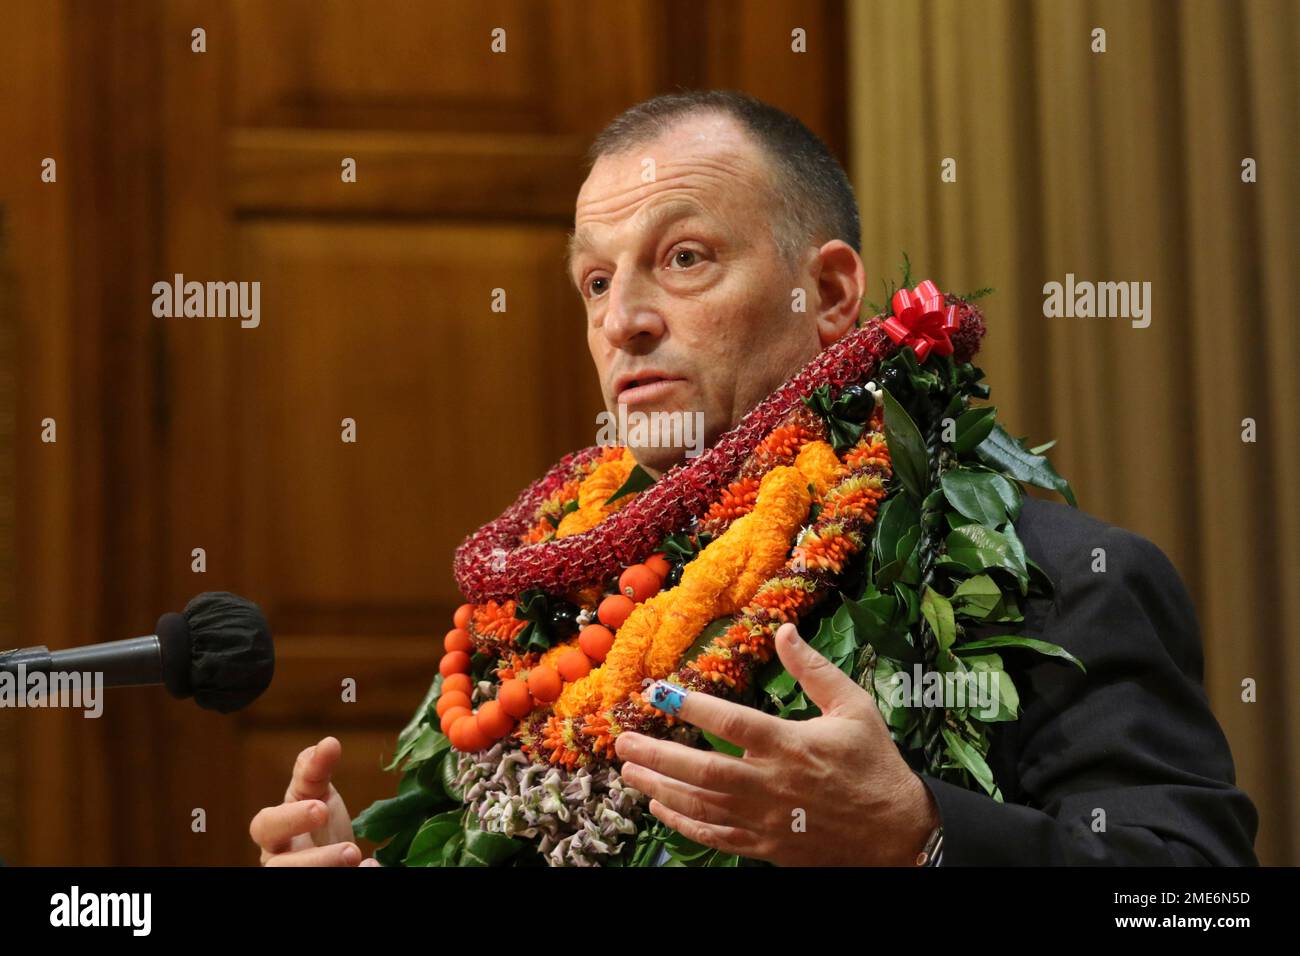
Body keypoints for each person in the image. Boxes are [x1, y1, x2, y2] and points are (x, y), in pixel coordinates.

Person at [250, 90, 1258, 866]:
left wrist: (914, 836)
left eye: (682, 257)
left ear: (825, 291)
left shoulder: (1064, 577)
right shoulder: (544, 614)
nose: (622, 319)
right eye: (595, 280)